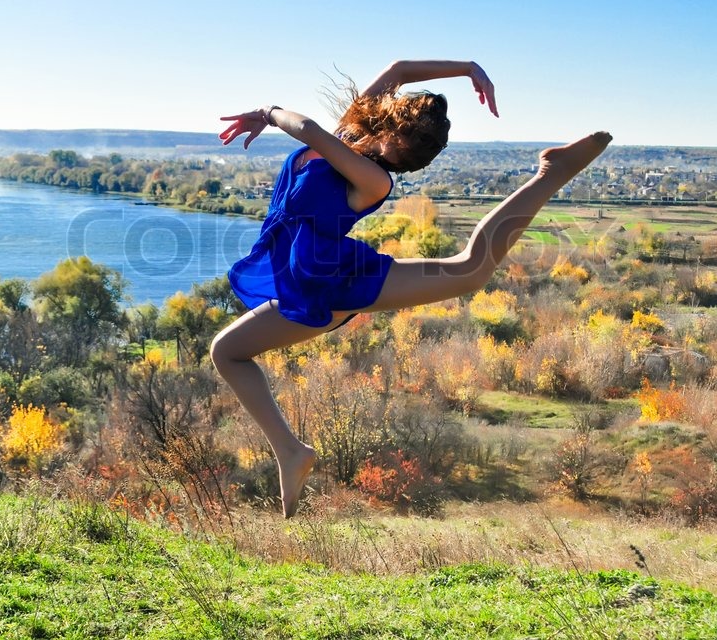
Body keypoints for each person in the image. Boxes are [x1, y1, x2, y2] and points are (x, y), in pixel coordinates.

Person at [211, 59, 611, 518]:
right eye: (401, 138)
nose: (396, 151)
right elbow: (399, 69)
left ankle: (550, 175)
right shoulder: (351, 132)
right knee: (226, 351)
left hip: (333, 282)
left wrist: (267, 112)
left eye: (406, 151)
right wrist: (469, 68)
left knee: (471, 270)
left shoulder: (372, 178)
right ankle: (291, 451)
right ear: (389, 121)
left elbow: (306, 129)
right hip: (309, 273)